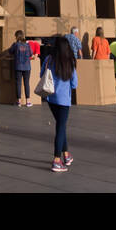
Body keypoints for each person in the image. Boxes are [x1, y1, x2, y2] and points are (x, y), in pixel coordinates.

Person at [45, 36, 78, 173]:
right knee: (60, 128)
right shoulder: (70, 62)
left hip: (51, 98)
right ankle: (57, 160)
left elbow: (43, 74)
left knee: (61, 125)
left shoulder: (49, 59)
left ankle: (66, 155)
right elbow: (74, 84)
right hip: (64, 100)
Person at [10, 31, 33, 107]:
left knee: (18, 83)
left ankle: (18, 102)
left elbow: (10, 51)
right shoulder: (28, 45)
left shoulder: (15, 45)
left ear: (17, 36)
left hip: (18, 66)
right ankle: (28, 102)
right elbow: (31, 54)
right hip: (27, 67)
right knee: (26, 83)